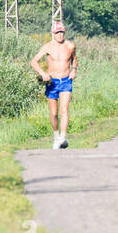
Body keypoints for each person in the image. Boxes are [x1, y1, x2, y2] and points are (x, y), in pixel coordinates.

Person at [31, 21, 76, 149]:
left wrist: (74, 70)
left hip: (66, 81)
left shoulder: (70, 46)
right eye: (57, 32)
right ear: (53, 33)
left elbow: (74, 59)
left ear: (64, 33)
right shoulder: (47, 47)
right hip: (52, 82)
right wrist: (43, 73)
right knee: (54, 113)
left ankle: (63, 137)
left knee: (64, 110)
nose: (60, 35)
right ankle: (56, 136)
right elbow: (34, 61)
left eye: (62, 32)